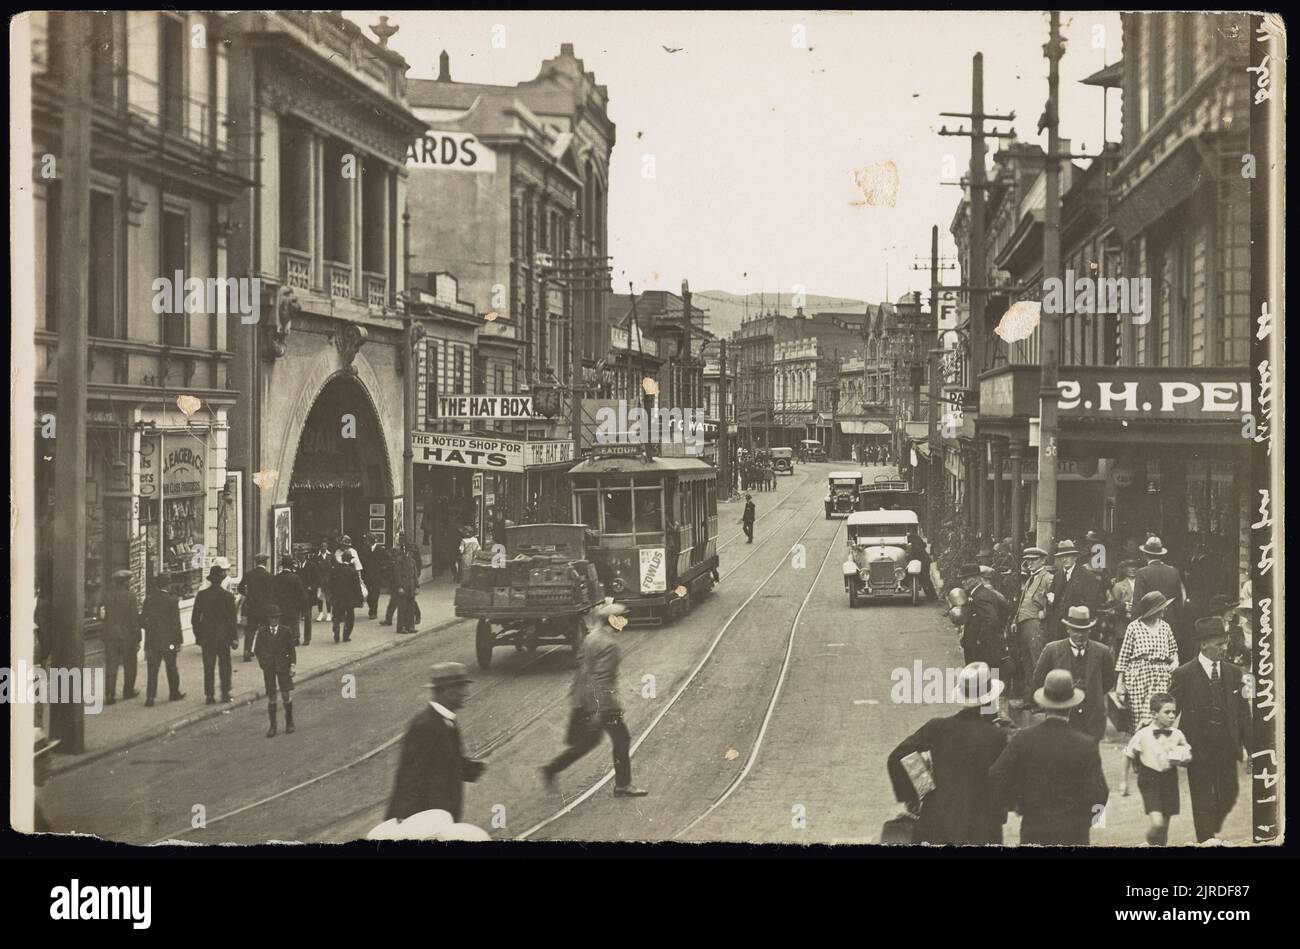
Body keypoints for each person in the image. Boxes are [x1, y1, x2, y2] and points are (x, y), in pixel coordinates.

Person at [885, 663, 1012, 844]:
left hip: (937, 823)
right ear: (990, 700)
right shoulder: (998, 737)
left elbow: (897, 757)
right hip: (982, 828)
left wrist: (921, 790)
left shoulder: (937, 727)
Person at [989, 668, 1110, 845]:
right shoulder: (1086, 744)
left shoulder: (1024, 738)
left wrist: (1016, 803)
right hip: (1074, 832)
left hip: (1034, 827)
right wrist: (1087, 820)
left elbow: (996, 774)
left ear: (1044, 704)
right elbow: (1100, 793)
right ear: (1072, 705)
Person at [541, 599, 649, 797]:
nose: (625, 622)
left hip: (584, 696)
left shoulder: (592, 637)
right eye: (622, 618)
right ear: (612, 620)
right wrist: (600, 710)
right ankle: (623, 785)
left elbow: (582, 666)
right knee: (621, 739)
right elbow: (602, 679)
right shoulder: (610, 645)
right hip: (601, 701)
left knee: (588, 742)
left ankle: (552, 768)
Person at [1170, 617, 1250, 845]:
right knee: (1201, 797)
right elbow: (1171, 708)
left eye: (1225, 643)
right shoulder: (1183, 674)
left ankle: (1210, 827)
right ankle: (1206, 840)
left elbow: (1245, 714)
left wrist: (1252, 749)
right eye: (1219, 644)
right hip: (1197, 747)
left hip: (1226, 744)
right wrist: (1157, 734)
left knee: (1229, 793)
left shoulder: (1235, 673)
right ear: (1203, 644)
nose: (1224, 648)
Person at [387, 662, 485, 822]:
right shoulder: (425, 725)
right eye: (461, 688)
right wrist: (405, 820)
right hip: (426, 821)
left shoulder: (446, 721)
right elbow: (410, 774)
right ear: (447, 691)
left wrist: (472, 768)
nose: (466, 693)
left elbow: (445, 761)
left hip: (442, 816)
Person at [1032, 606, 1116, 742]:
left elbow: (1108, 681)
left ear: (1089, 630)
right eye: (1076, 630)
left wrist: (1093, 694)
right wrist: (1052, 704)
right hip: (1062, 718)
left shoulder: (1102, 652)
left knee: (1088, 758)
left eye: (1084, 631)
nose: (1080, 635)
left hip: (1092, 720)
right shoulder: (1052, 650)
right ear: (1068, 629)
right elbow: (1038, 680)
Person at [1122, 693, 1192, 844]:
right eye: (1167, 712)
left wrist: (1183, 758)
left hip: (1169, 778)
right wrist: (1124, 781)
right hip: (1149, 779)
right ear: (1154, 714)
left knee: (1164, 826)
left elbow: (1187, 755)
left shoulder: (1177, 734)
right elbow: (1128, 754)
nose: (1172, 716)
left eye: (1174, 711)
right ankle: (1150, 840)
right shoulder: (1143, 734)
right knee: (1157, 824)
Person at [1114, 591, 1180, 737]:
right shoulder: (1134, 627)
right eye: (1161, 609)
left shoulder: (1165, 627)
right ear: (1152, 610)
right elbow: (1124, 657)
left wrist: (1175, 661)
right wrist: (1120, 683)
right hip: (1139, 677)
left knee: (1159, 715)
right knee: (1140, 718)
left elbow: (1174, 650)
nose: (1164, 612)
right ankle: (1139, 753)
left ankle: (1157, 751)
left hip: (1161, 677)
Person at [1132, 536, 1188, 659]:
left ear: (1145, 555)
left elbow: (1138, 603)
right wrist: (1179, 626)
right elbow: (1179, 603)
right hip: (1172, 624)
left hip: (1149, 625)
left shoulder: (1142, 573)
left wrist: (1135, 626)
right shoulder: (1174, 572)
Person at [191, 563, 237, 704]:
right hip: (223, 637)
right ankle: (225, 693)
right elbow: (232, 620)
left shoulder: (202, 595)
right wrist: (233, 638)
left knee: (208, 666)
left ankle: (209, 695)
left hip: (208, 637)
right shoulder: (228, 597)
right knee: (225, 665)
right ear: (222, 580)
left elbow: (195, 619)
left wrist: (199, 635)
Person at [1012, 547, 1052, 706]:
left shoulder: (1047, 578)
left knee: (1038, 662)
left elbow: (1054, 600)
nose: (1030, 563)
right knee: (1027, 662)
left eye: (1034, 560)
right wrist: (1016, 620)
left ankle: (1041, 702)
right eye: (1028, 560)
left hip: (1036, 624)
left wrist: (1045, 612)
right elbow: (1023, 602)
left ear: (1042, 560)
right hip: (1025, 624)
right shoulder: (1030, 579)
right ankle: (1030, 699)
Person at [253, 601, 297, 737]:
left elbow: (291, 650)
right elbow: (257, 650)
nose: (274, 620)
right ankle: (273, 726)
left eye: (276, 617)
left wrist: (292, 665)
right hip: (269, 667)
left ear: (279, 618)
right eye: (272, 617)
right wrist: (263, 663)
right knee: (272, 696)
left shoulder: (286, 631)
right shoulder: (262, 632)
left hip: (283, 665)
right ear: (268, 619)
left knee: (285, 694)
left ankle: (289, 722)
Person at [140, 575, 185, 706]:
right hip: (169, 641)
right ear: (168, 585)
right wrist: (178, 641)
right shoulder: (172, 601)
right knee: (171, 667)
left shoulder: (148, 600)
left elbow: (142, 620)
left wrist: (150, 629)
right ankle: (174, 692)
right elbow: (176, 623)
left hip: (152, 641)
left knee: (152, 669)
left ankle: (150, 697)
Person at [957, 564, 1009, 673]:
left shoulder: (981, 596)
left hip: (981, 649)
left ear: (976, 578)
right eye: (962, 579)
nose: (963, 582)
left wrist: (979, 640)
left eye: (966, 579)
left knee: (979, 680)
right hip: (982, 647)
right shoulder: (979, 594)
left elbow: (992, 620)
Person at [101, 569, 142, 705]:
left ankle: (110, 694)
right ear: (125, 582)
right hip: (127, 637)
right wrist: (138, 638)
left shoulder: (107, 595)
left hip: (110, 636)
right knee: (130, 665)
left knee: (111, 666)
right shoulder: (130, 597)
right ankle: (128, 690)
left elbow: (101, 615)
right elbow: (134, 619)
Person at [1048, 540, 1103, 640]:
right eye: (1062, 557)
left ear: (1075, 557)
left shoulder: (1087, 576)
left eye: (1068, 556)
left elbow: (1091, 604)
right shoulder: (1058, 576)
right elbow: (1052, 597)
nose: (1065, 559)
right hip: (1058, 625)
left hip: (1077, 625)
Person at [237, 553, 276, 661]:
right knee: (264, 629)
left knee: (250, 630)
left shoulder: (249, 574)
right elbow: (272, 594)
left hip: (252, 606)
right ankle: (262, 651)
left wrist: (248, 594)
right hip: (264, 608)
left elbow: (240, 588)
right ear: (265, 563)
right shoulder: (270, 576)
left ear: (256, 563)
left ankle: (247, 651)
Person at [273, 556, 311, 648]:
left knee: (282, 622)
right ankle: (294, 638)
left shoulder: (276, 578)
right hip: (293, 606)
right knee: (293, 622)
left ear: (282, 565)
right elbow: (301, 593)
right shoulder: (295, 578)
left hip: (280, 606)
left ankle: (283, 639)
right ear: (291, 566)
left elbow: (273, 592)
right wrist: (305, 603)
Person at [329, 549, 364, 643]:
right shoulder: (352, 571)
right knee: (350, 617)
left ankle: (336, 627)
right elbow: (357, 587)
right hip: (349, 599)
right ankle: (346, 635)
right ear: (349, 560)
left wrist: (331, 595)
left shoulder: (335, 569)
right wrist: (360, 599)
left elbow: (330, 583)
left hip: (337, 597)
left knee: (336, 615)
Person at [906, 529, 937, 601]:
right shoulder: (915, 537)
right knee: (925, 579)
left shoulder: (912, 538)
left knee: (925, 578)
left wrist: (910, 553)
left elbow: (918, 549)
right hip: (922, 560)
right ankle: (931, 596)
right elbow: (924, 545)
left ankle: (932, 596)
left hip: (923, 560)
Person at [360, 534, 385, 620]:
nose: (365, 542)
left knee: (375, 594)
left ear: (370, 541)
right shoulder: (364, 550)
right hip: (366, 576)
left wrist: (381, 571)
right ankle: (371, 607)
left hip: (377, 577)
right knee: (368, 595)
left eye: (366, 540)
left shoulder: (381, 550)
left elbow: (385, 562)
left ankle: (373, 611)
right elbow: (361, 562)